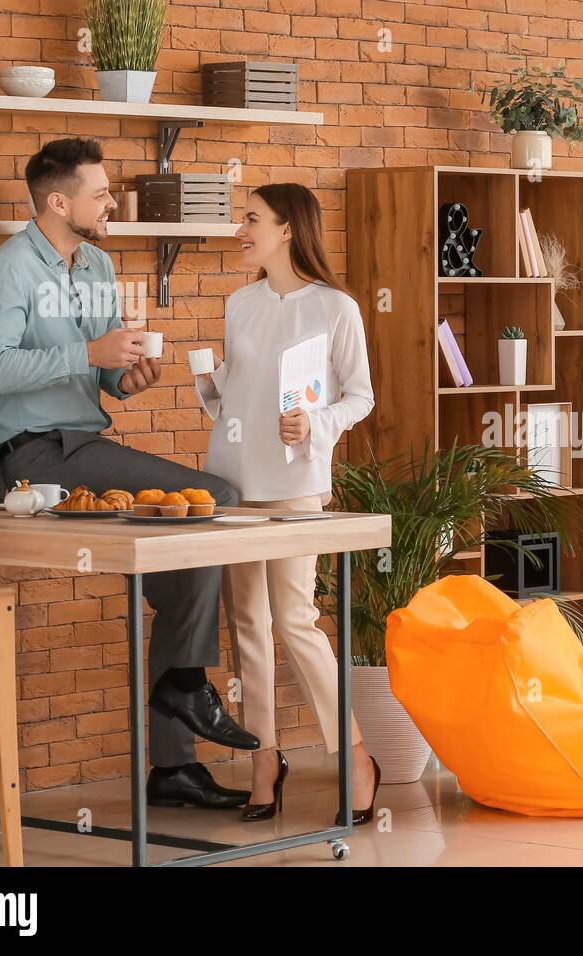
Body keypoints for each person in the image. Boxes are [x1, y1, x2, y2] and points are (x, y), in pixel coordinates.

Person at [0, 137, 259, 810]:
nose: (112, 202)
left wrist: (127, 376)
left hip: (85, 441)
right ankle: (186, 685)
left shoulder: (96, 264)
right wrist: (85, 352)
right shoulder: (8, 271)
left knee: (186, 567)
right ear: (58, 201)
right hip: (37, 457)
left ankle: (171, 765)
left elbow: (101, 373)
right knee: (213, 499)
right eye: (100, 193)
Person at [193, 184, 381, 823]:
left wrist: (317, 422)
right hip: (234, 486)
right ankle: (264, 760)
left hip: (297, 487)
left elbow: (360, 397)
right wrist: (208, 387)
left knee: (295, 622)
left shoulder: (336, 309)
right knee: (248, 628)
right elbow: (233, 405)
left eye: (250, 219)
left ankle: (354, 754)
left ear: (288, 230)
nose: (240, 229)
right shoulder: (239, 304)